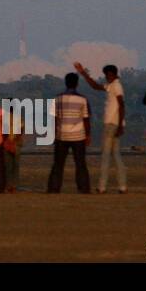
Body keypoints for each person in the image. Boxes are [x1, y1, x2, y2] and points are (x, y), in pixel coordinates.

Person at [76, 62, 127, 194]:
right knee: (116, 155)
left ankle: (102, 186)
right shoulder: (112, 86)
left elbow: (122, 105)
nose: (107, 77)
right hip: (114, 124)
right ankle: (122, 186)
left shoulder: (116, 87)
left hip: (111, 124)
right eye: (106, 75)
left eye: (108, 75)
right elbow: (95, 86)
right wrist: (83, 73)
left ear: (114, 74)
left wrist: (120, 124)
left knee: (105, 156)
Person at [48, 73, 91, 194]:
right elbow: (86, 119)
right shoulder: (83, 99)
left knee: (58, 164)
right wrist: (88, 135)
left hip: (62, 135)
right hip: (78, 135)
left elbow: (54, 118)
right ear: (77, 84)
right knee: (80, 164)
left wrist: (54, 133)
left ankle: (54, 188)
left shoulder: (57, 98)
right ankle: (83, 188)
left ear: (66, 83)